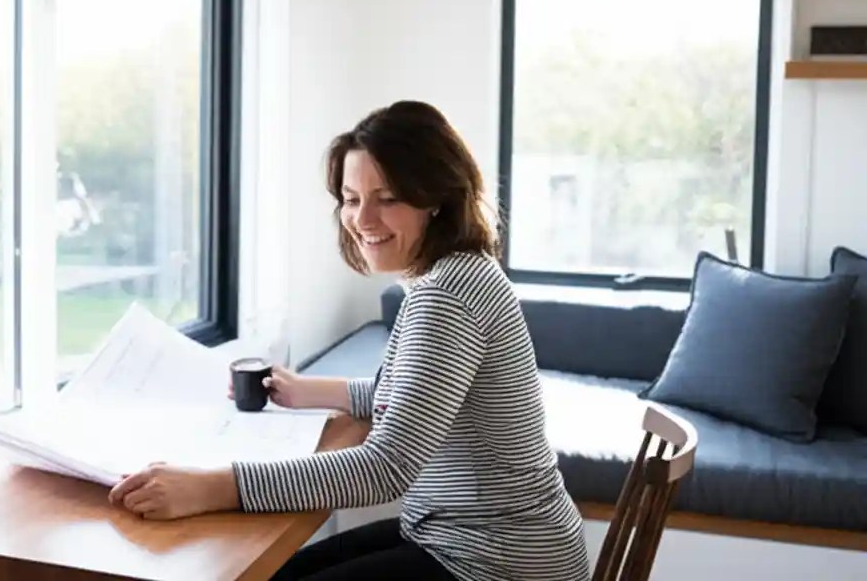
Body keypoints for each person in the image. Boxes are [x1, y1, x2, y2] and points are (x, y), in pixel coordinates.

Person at [108, 100, 591, 581]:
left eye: (388, 198)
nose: (363, 219)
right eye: (352, 199)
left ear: (436, 198)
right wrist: (309, 391)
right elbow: (416, 398)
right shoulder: (459, 272)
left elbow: (386, 468)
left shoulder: (447, 297)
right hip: (464, 535)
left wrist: (210, 487)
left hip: (497, 560)